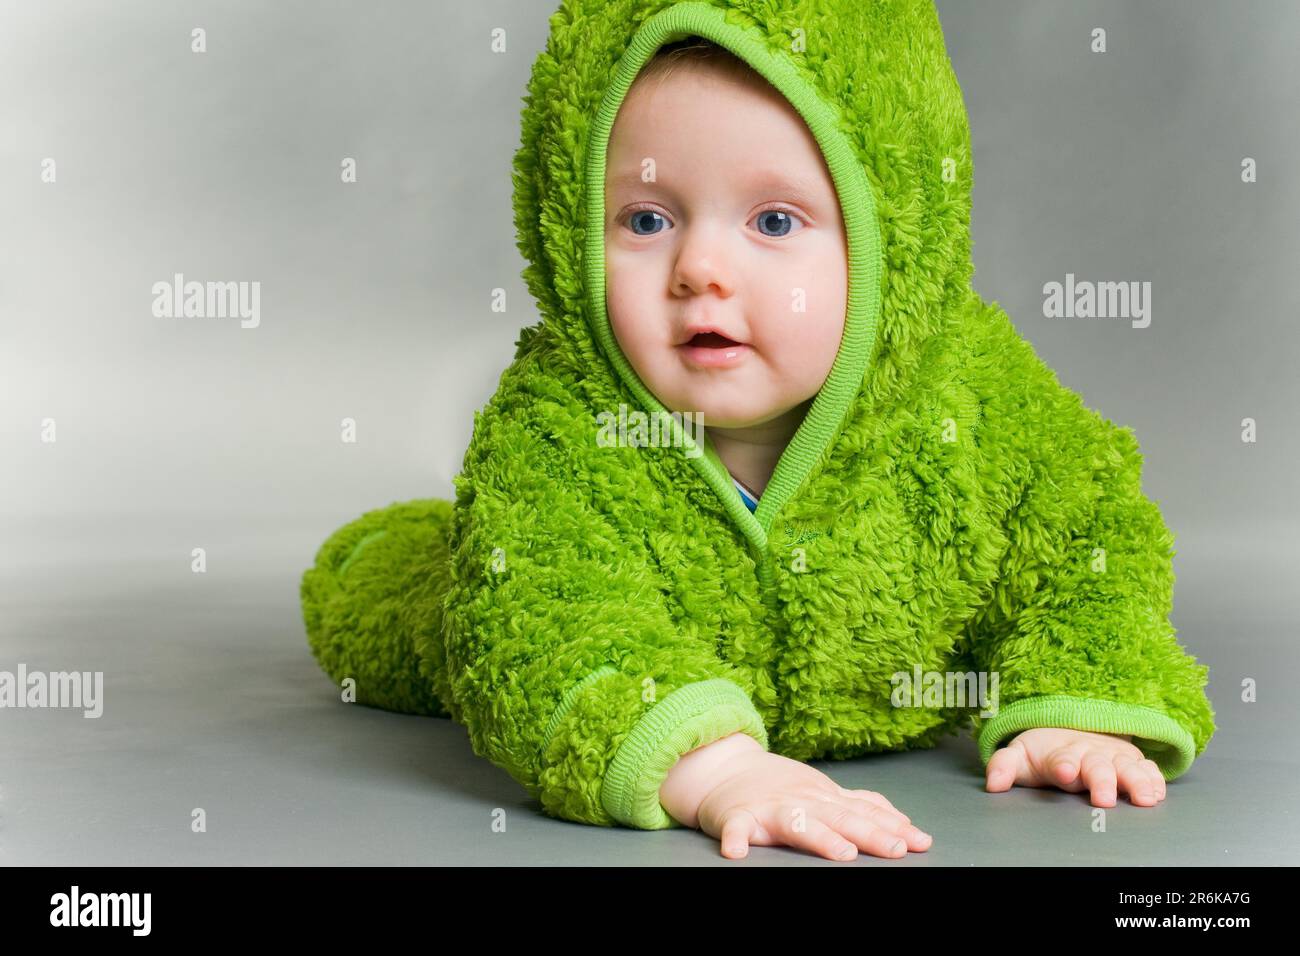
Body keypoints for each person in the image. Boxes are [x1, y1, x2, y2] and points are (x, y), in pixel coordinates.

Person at [301, 0, 1215, 862]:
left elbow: (1089, 536)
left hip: (892, 692)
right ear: (576, 227)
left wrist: (1081, 703)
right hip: (534, 617)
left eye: (774, 220)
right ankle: (398, 559)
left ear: (890, 235)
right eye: (647, 219)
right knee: (438, 613)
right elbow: (542, 622)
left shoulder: (972, 398)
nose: (700, 267)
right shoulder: (561, 422)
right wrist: (716, 768)